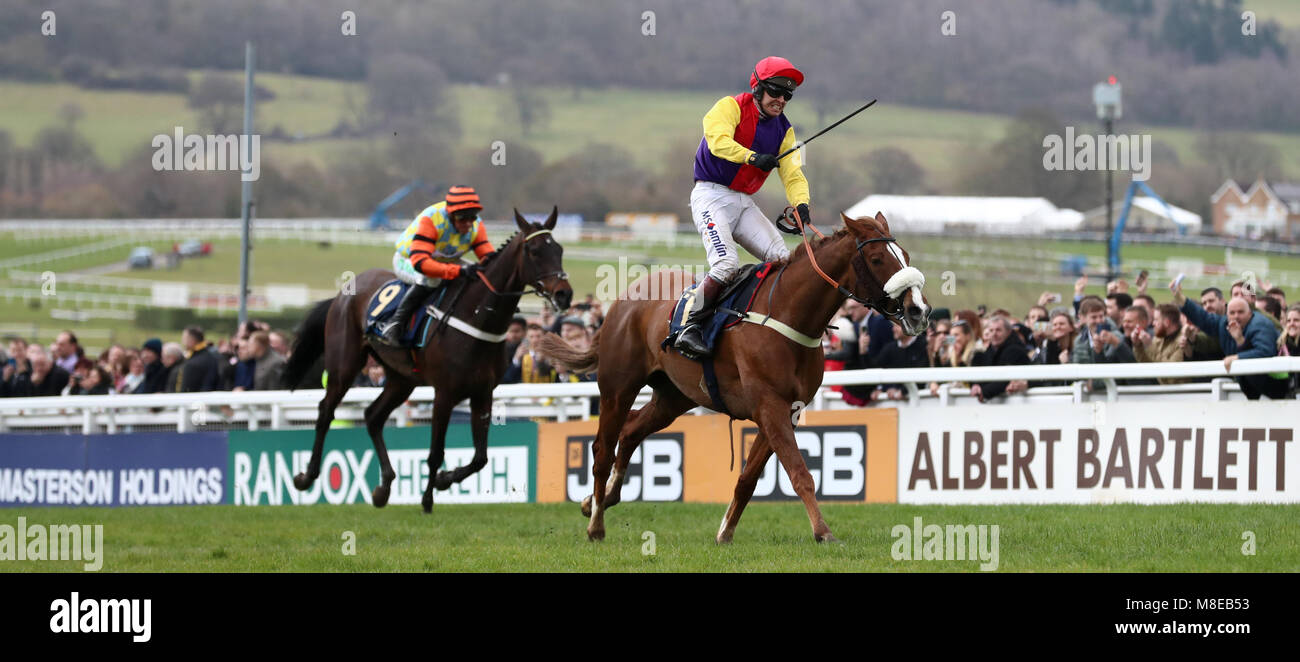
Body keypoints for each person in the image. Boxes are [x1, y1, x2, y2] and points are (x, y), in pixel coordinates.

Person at [675, 56, 810, 358]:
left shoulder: (784, 130)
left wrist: (801, 205)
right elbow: (717, 142)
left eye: (788, 95)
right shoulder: (730, 106)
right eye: (776, 91)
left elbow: (793, 174)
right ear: (758, 88)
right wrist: (752, 157)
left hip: (742, 201)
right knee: (726, 265)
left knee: (784, 260)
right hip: (710, 195)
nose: (781, 100)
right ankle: (687, 326)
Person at [381, 185, 497, 345]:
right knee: (432, 280)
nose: (468, 223)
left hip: (443, 260)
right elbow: (421, 263)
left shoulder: (476, 225)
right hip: (409, 260)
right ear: (451, 215)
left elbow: (489, 258)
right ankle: (395, 324)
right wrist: (458, 271)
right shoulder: (432, 219)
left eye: (472, 217)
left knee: (479, 275)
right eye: (462, 218)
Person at [1172, 277, 1285, 399]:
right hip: (1251, 388)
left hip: (1275, 387)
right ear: (1227, 313)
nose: (1236, 316)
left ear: (1250, 311)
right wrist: (1180, 299)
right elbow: (1204, 319)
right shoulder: (1225, 323)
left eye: (1240, 312)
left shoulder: (1261, 323)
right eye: (1232, 313)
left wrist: (1237, 357)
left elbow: (1265, 351)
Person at [969, 316, 1030, 402]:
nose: (994, 334)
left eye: (998, 330)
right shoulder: (986, 353)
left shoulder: (1015, 351)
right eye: (991, 330)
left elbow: (1006, 378)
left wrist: (984, 392)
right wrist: (975, 385)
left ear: (1008, 332)